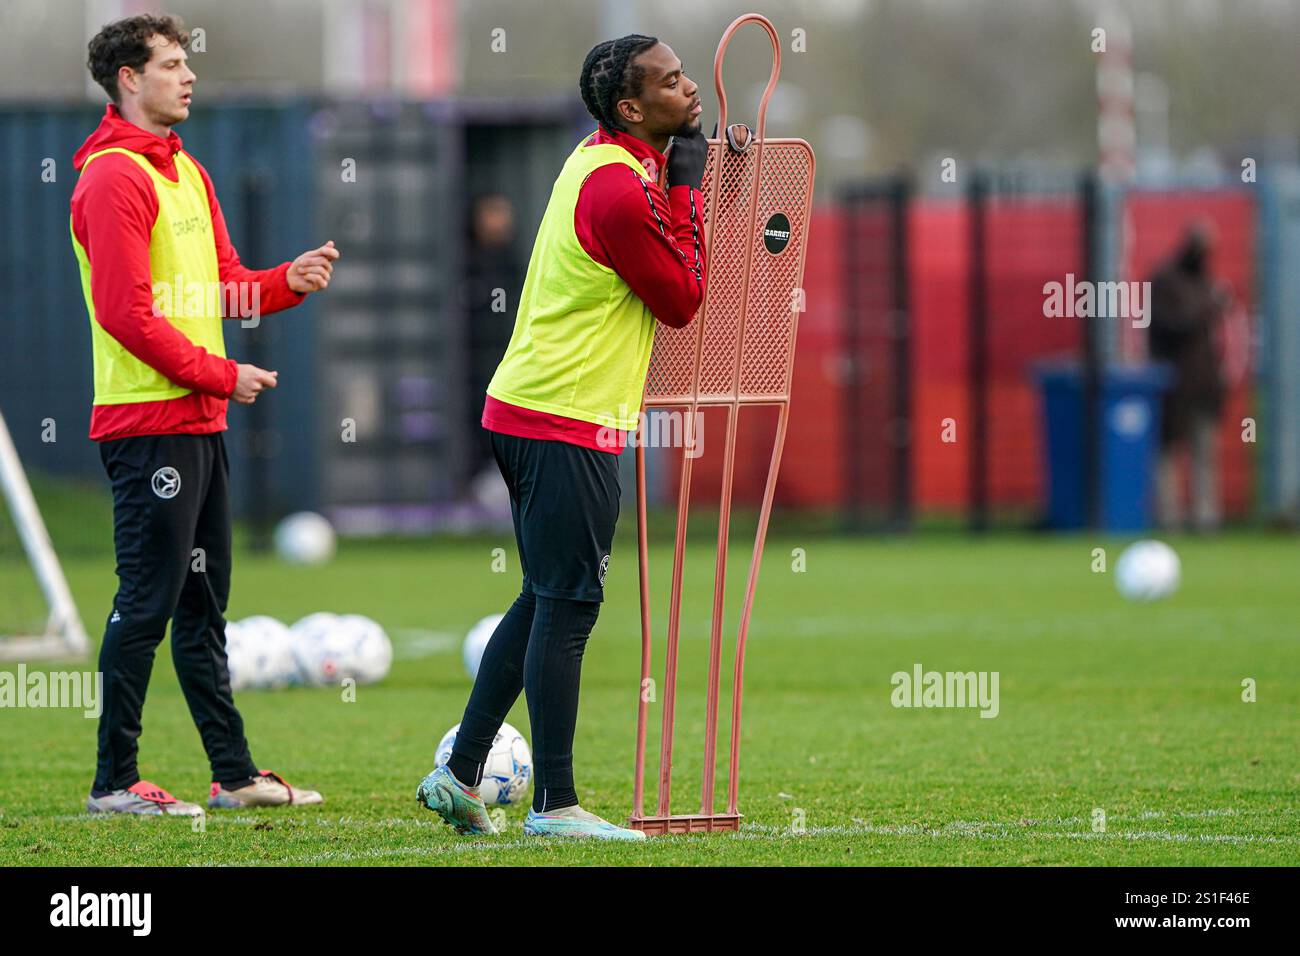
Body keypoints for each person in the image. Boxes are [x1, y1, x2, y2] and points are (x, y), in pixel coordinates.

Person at [417, 34, 708, 840]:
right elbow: (682, 300)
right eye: (671, 82)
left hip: (530, 410)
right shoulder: (618, 189)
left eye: (686, 75)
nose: (689, 89)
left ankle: (458, 773)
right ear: (629, 108)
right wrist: (687, 190)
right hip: (563, 420)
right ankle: (556, 805)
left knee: (544, 596)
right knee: (571, 605)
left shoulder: (604, 156)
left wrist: (682, 166)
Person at [71, 14, 339, 816]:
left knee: (200, 608)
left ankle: (234, 775)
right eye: (172, 64)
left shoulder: (183, 169)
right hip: (146, 424)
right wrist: (221, 374)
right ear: (128, 78)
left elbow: (223, 284)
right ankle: (113, 782)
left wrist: (285, 279)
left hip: (197, 424)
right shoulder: (113, 176)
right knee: (146, 602)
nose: (189, 77)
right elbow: (126, 315)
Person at [1148, 221, 1229, 532]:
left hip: (1204, 385)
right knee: (1166, 450)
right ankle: (1169, 518)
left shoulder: (1205, 281)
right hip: (1171, 382)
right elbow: (1174, 324)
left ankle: (1205, 518)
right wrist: (1209, 305)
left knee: (1204, 451)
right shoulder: (1166, 280)